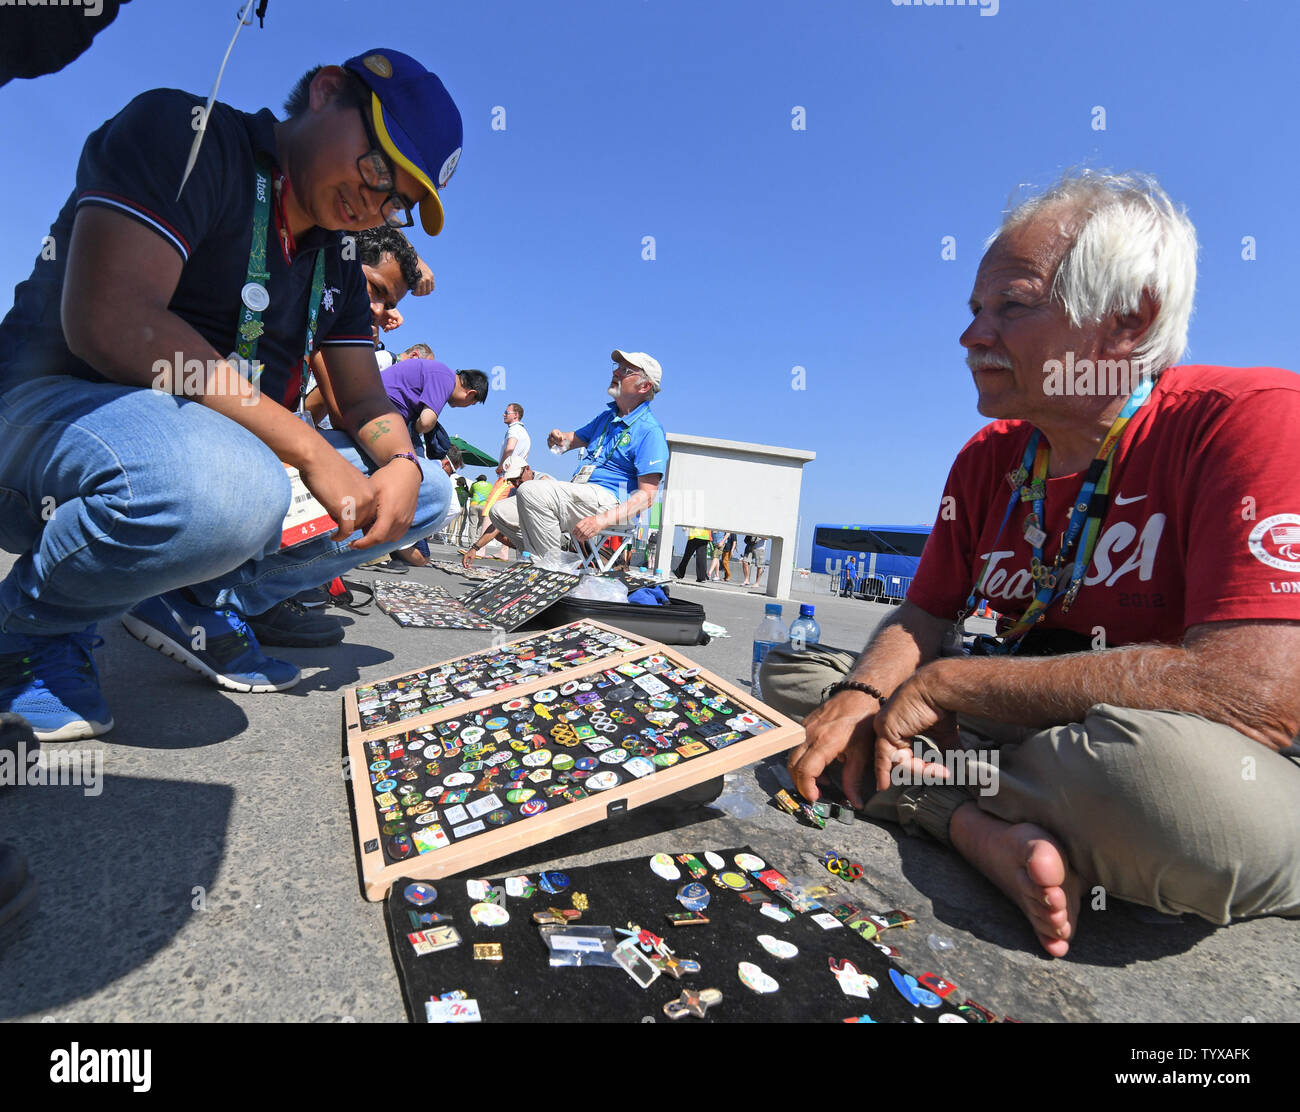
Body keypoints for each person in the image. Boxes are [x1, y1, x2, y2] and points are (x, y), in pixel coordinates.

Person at [767, 170, 1300, 958]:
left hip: (1164, 753)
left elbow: (1255, 694)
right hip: (1019, 743)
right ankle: (964, 816)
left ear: (1128, 320)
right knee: (792, 675)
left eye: (1010, 306)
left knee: (1175, 799)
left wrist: (949, 686)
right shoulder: (989, 457)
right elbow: (924, 615)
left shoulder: (1252, 420)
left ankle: (917, 789)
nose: (973, 336)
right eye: (975, 311)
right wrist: (862, 692)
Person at [0, 48, 465, 740]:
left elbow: (365, 402)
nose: (374, 202)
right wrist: (307, 449)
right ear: (326, 93)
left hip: (210, 458)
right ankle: (29, 630)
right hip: (51, 416)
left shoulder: (340, 251)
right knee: (234, 485)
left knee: (426, 492)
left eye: (393, 198)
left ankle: (192, 594)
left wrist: (396, 462)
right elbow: (113, 320)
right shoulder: (188, 134)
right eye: (376, 169)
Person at [490, 350, 668, 561]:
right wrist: (558, 439)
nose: (617, 373)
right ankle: (565, 553)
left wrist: (601, 521)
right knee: (499, 512)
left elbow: (647, 496)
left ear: (644, 386)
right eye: (617, 367)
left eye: (625, 370)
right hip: (582, 493)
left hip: (610, 501)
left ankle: (551, 567)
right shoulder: (607, 417)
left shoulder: (649, 430)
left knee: (530, 490)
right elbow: (569, 440)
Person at [462, 458, 546, 567]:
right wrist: (475, 548)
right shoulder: (514, 490)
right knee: (500, 531)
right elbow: (498, 522)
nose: (516, 483)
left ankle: (535, 558)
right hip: (531, 536)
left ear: (528, 469)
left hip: (549, 536)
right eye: (512, 480)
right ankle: (526, 556)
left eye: (518, 479)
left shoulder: (543, 481)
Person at [497, 402, 530, 474]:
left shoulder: (513, 429)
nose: (504, 414)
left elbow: (510, 448)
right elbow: (526, 454)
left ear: (516, 415)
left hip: (508, 473)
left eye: (506, 412)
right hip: (518, 473)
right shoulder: (524, 432)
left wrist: (500, 466)